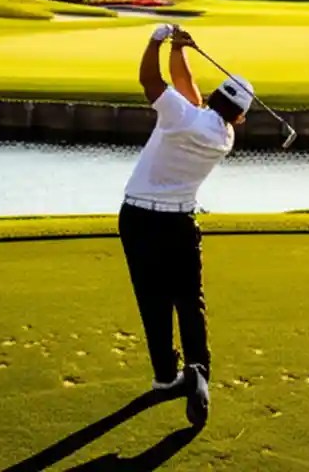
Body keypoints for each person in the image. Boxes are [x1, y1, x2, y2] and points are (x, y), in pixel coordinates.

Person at [118, 22, 252, 428]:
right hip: (180, 224)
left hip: (139, 219)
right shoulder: (223, 135)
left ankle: (164, 376)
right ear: (240, 116)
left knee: (152, 300)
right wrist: (181, 49)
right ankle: (198, 370)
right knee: (189, 302)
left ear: (215, 98)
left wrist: (157, 39)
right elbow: (184, 84)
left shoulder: (181, 115)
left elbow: (149, 80)